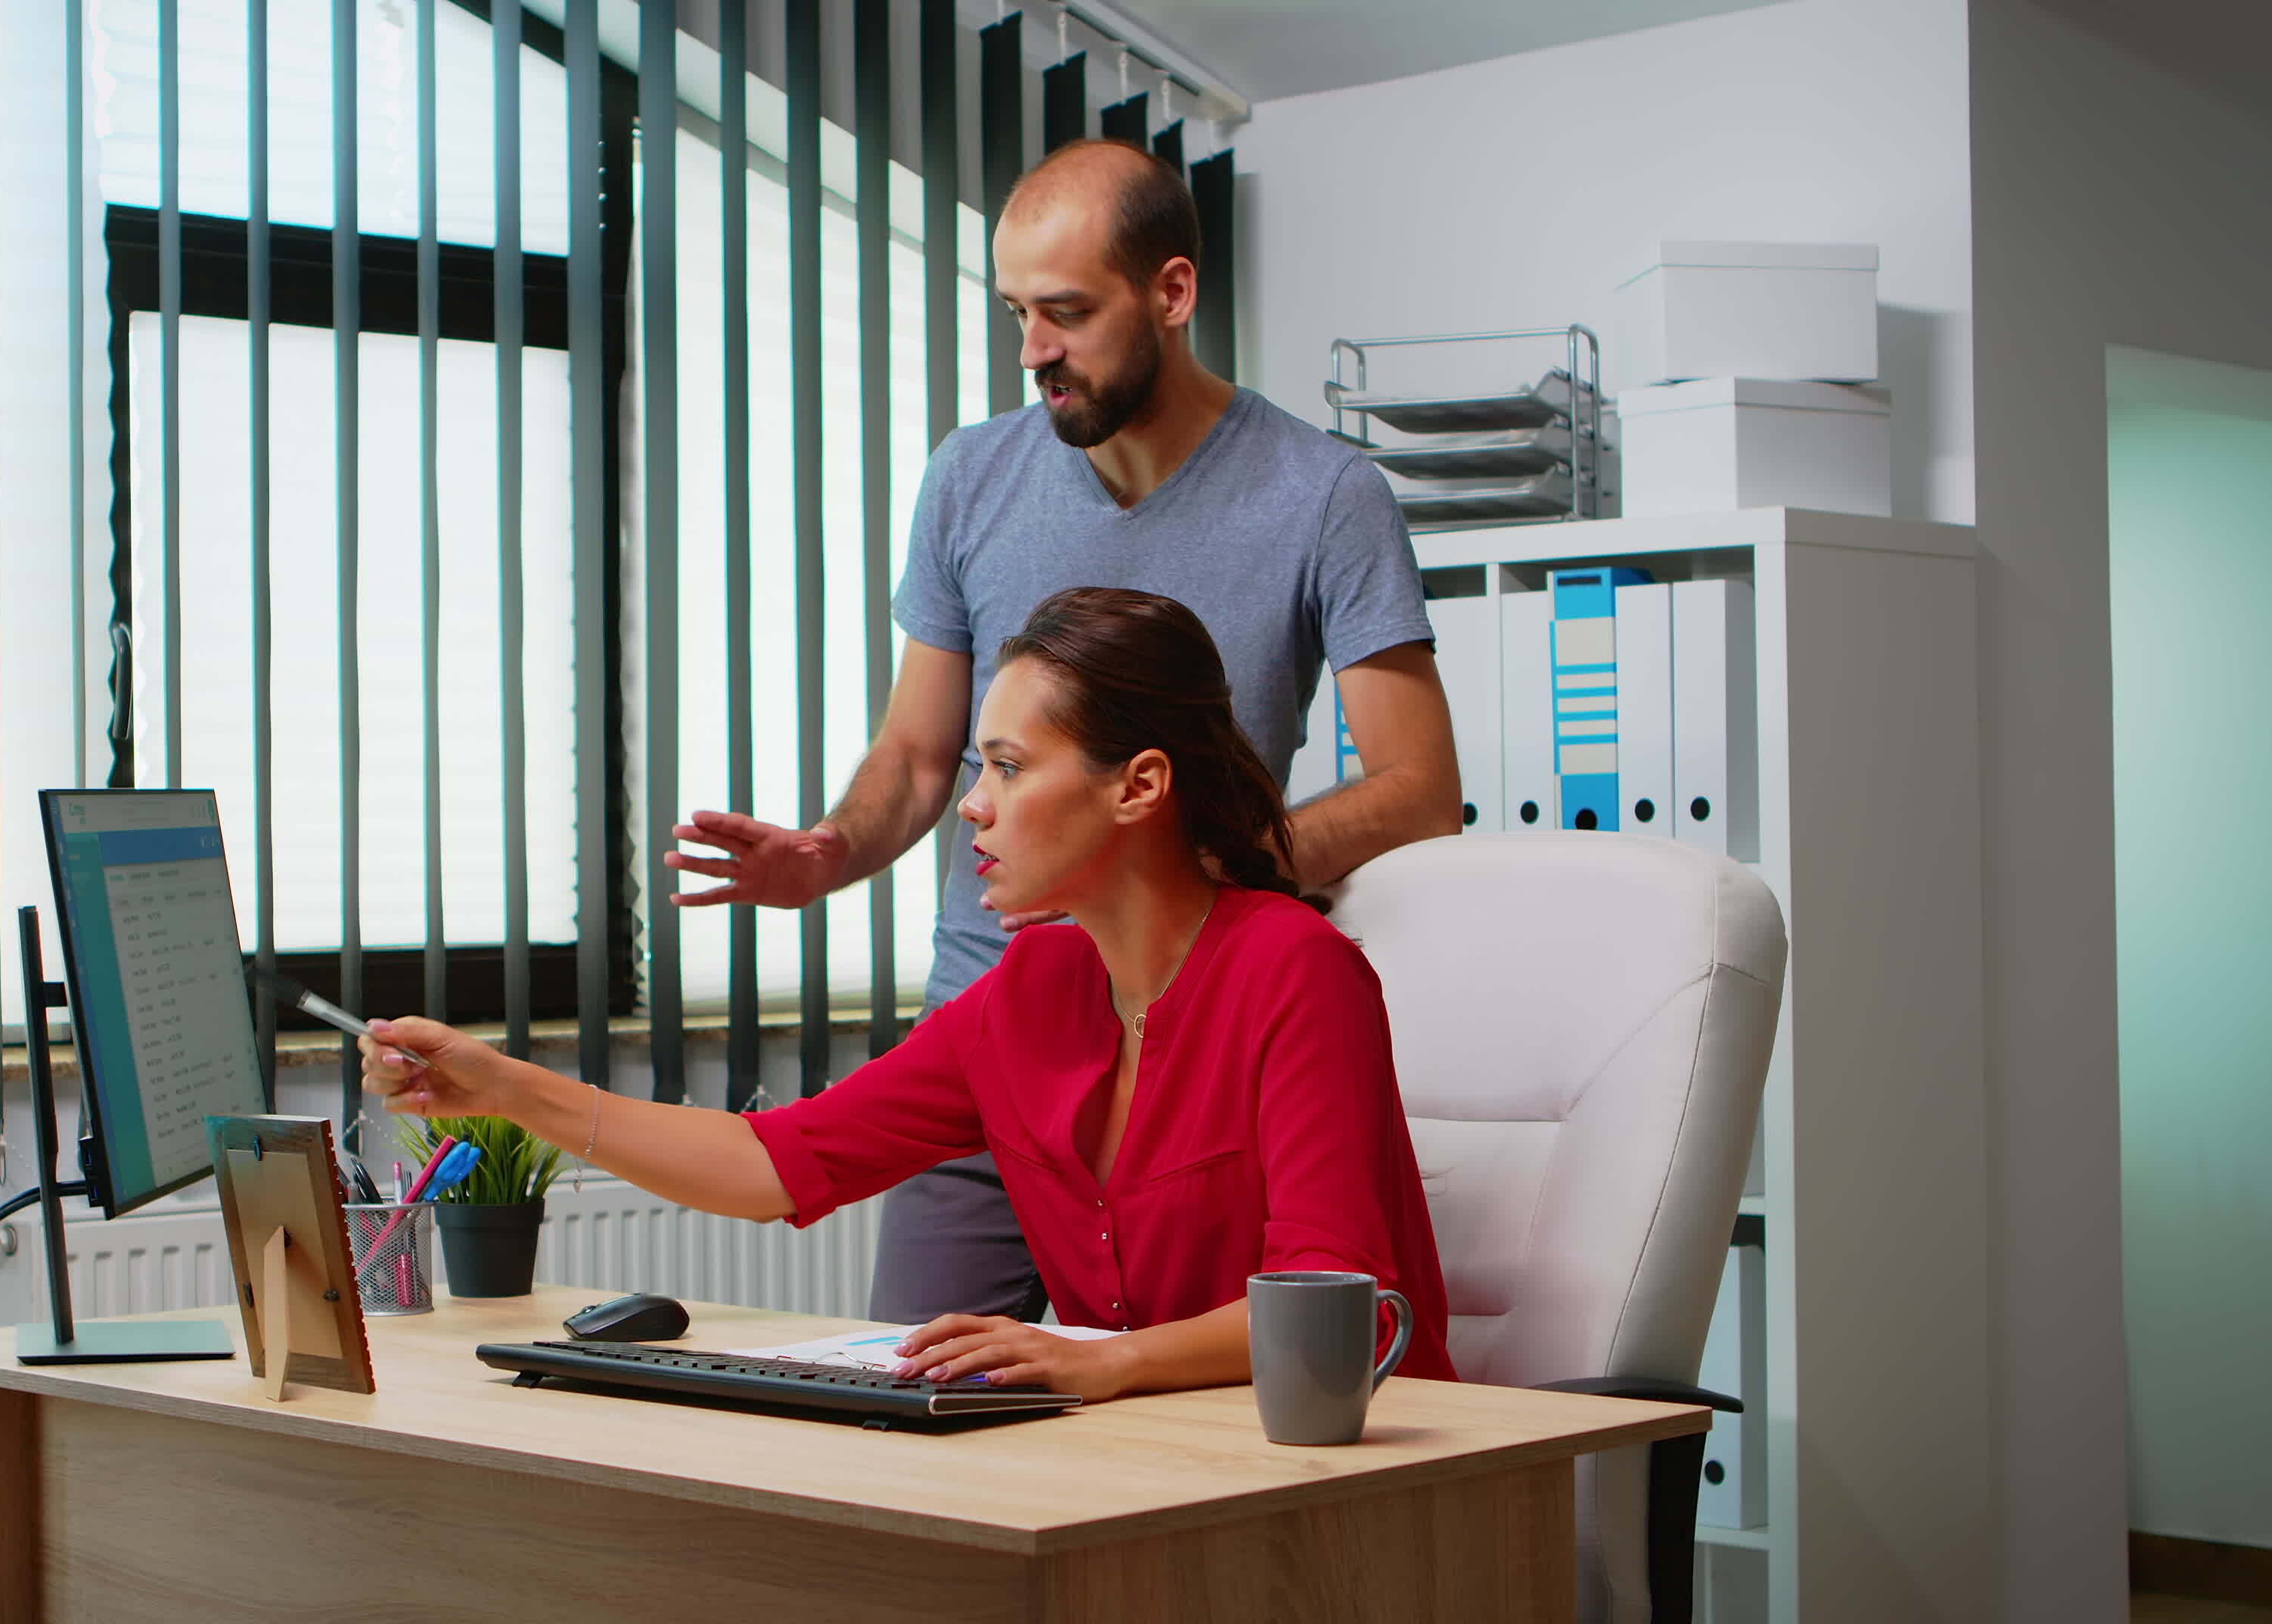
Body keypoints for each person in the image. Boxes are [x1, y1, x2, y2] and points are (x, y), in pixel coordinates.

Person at [661, 138, 1461, 1326]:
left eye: (1069, 313)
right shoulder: (970, 478)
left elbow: (1417, 790)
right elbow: (923, 757)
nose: (1035, 350)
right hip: (996, 1032)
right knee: (918, 1416)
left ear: (1173, 294)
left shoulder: (1324, 494)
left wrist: (1195, 878)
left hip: (1190, 1050)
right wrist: (828, 852)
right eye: (1018, 314)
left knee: (1178, 1414)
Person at [363, 589, 1454, 1398]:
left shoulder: (1294, 972)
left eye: (1012, 769)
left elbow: (1341, 1312)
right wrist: (506, 1089)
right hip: (1161, 1459)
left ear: (1142, 786)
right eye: (977, 768)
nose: (973, 808)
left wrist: (1101, 1363)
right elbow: (775, 1163)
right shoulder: (1033, 989)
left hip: (1358, 1479)